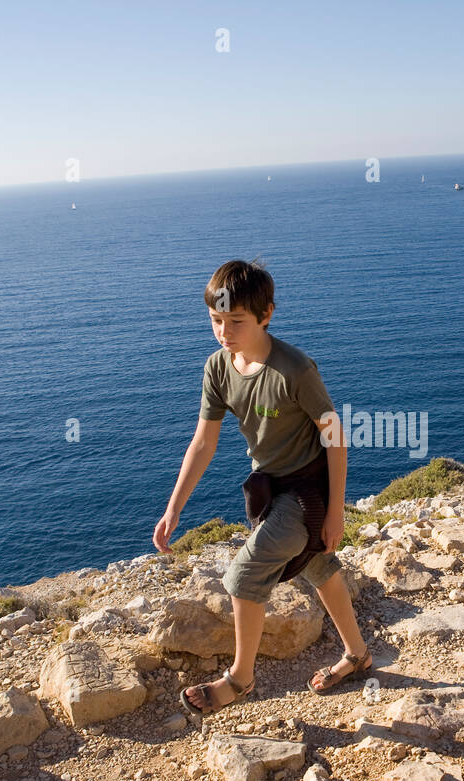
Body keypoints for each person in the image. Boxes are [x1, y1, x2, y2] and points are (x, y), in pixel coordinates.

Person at [152, 259, 370, 715]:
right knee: (318, 568)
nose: (224, 331)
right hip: (269, 490)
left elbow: (335, 437)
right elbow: (203, 441)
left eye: (236, 322)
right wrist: (174, 509)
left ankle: (240, 680)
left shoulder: (294, 370)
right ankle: (357, 655)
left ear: (266, 314)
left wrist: (334, 513)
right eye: (216, 320)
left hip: (308, 493)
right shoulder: (217, 368)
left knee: (244, 576)